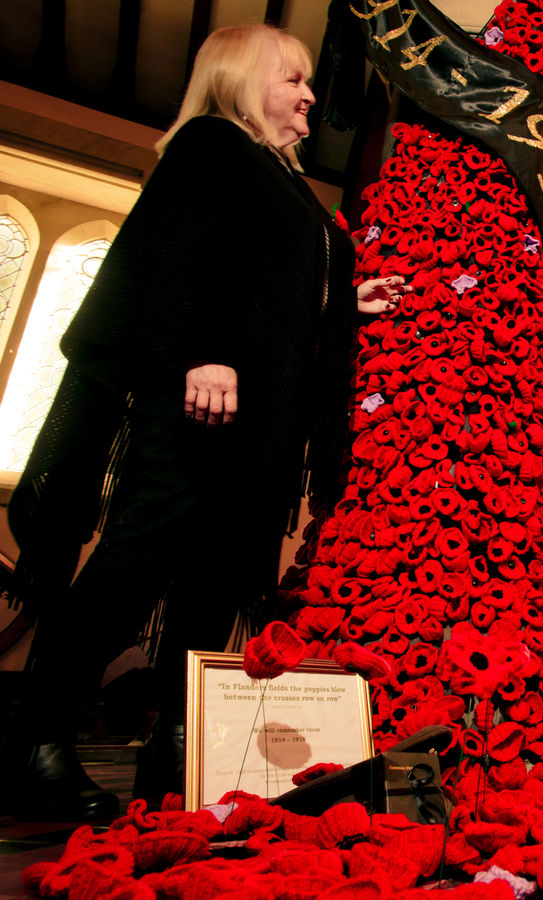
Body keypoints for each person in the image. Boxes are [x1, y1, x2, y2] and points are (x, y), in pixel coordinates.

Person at [4, 24, 406, 820]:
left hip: (256, 430)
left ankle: (176, 754)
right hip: (200, 403)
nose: (310, 96)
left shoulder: (282, 177)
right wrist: (202, 354)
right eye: (292, 79)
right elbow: (175, 258)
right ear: (239, 76)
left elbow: (270, 285)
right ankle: (33, 741)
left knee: (217, 582)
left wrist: (343, 303)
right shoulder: (213, 144)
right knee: (135, 565)